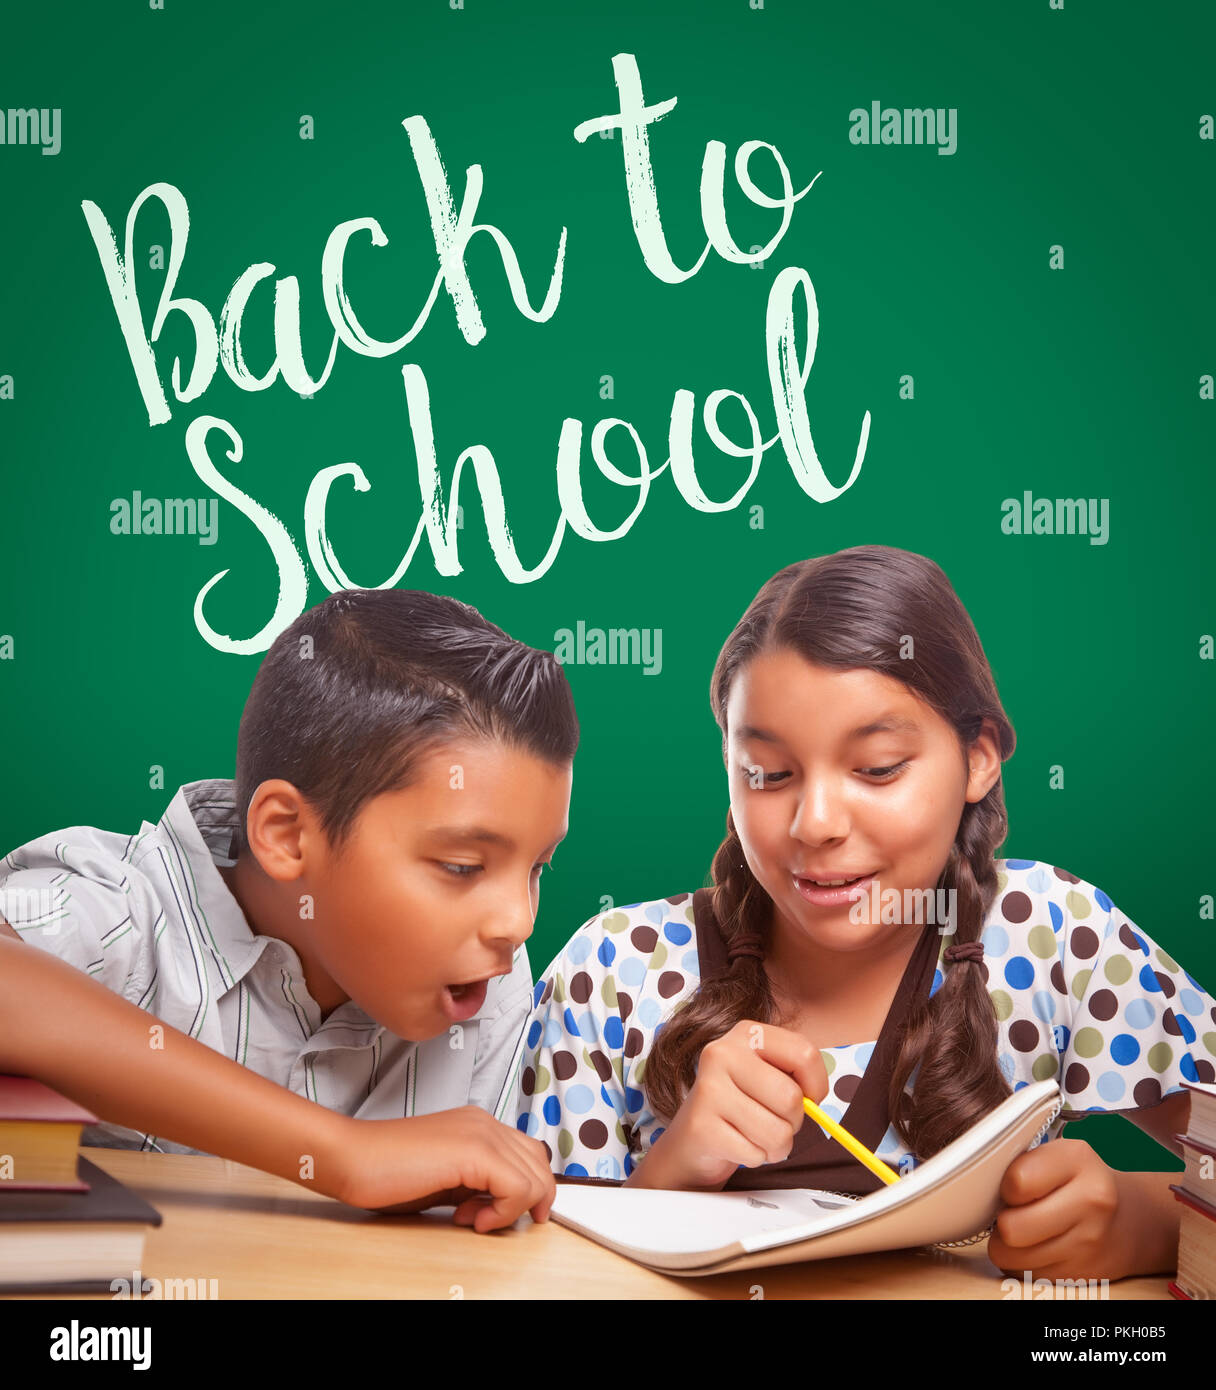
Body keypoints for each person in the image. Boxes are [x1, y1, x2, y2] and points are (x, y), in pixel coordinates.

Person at [513, 545, 1215, 1279]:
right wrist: (678, 1168)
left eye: (877, 768)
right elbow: (536, 1278)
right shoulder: (611, 973)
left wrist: (1154, 1222)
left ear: (978, 757)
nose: (815, 823)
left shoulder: (1055, 936)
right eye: (770, 774)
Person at [0, 588, 576, 1232]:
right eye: (463, 867)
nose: (517, 922)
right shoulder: (124, 912)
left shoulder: (487, 986)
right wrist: (341, 1154)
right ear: (287, 835)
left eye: (536, 868)